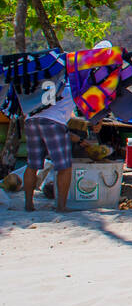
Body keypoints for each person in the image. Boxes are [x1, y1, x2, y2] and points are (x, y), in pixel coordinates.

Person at [23, 83, 78, 212]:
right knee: (64, 167)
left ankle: (28, 205)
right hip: (54, 122)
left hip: (31, 120)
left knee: (32, 165)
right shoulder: (69, 83)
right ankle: (61, 206)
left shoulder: (38, 79)